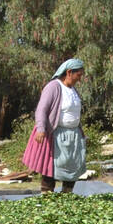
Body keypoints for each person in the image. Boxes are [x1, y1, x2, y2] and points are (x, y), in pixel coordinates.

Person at [22, 59, 88, 194]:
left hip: (73, 135)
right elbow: (41, 109)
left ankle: (66, 195)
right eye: (78, 75)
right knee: (51, 165)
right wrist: (41, 128)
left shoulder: (73, 90)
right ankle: (47, 195)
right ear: (69, 72)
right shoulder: (54, 87)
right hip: (56, 134)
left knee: (72, 166)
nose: (79, 79)